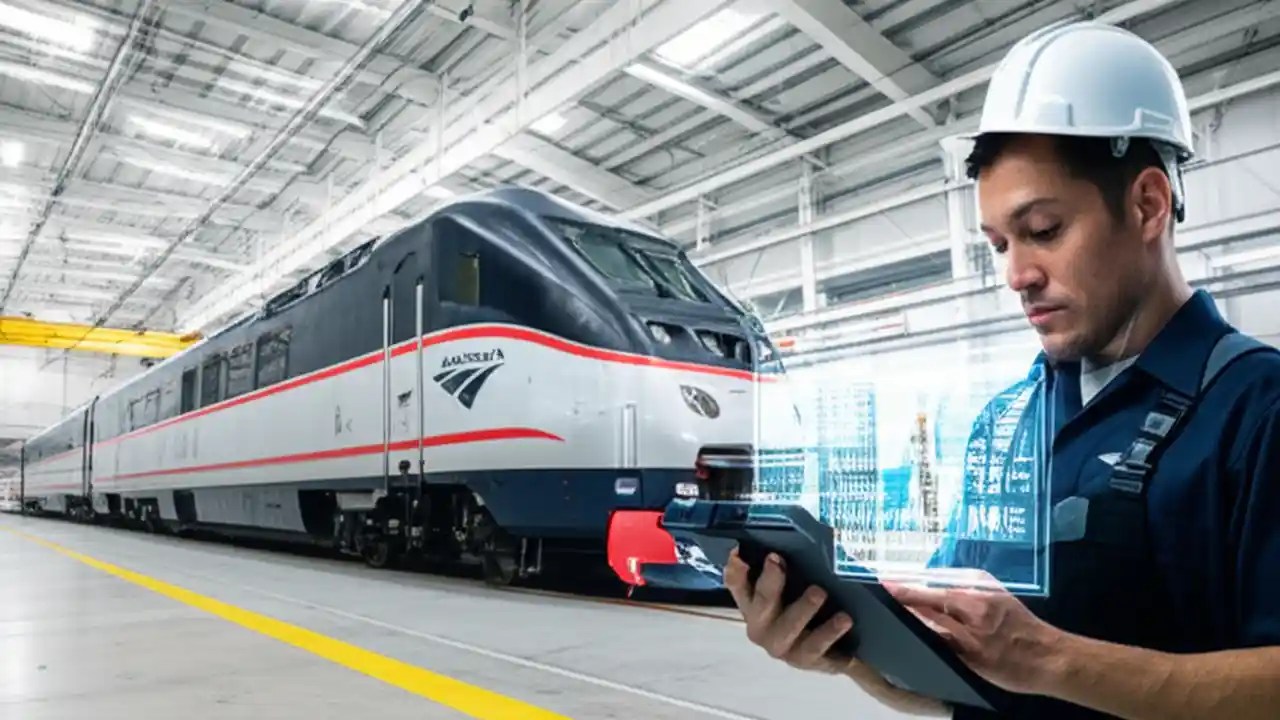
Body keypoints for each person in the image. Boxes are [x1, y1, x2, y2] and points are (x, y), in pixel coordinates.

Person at [724, 20, 1280, 720]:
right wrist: (844, 646)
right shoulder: (1008, 423)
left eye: (1044, 230)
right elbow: (956, 676)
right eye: (998, 244)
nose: (1017, 274)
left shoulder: (1256, 410)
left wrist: (1050, 660)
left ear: (1147, 205)